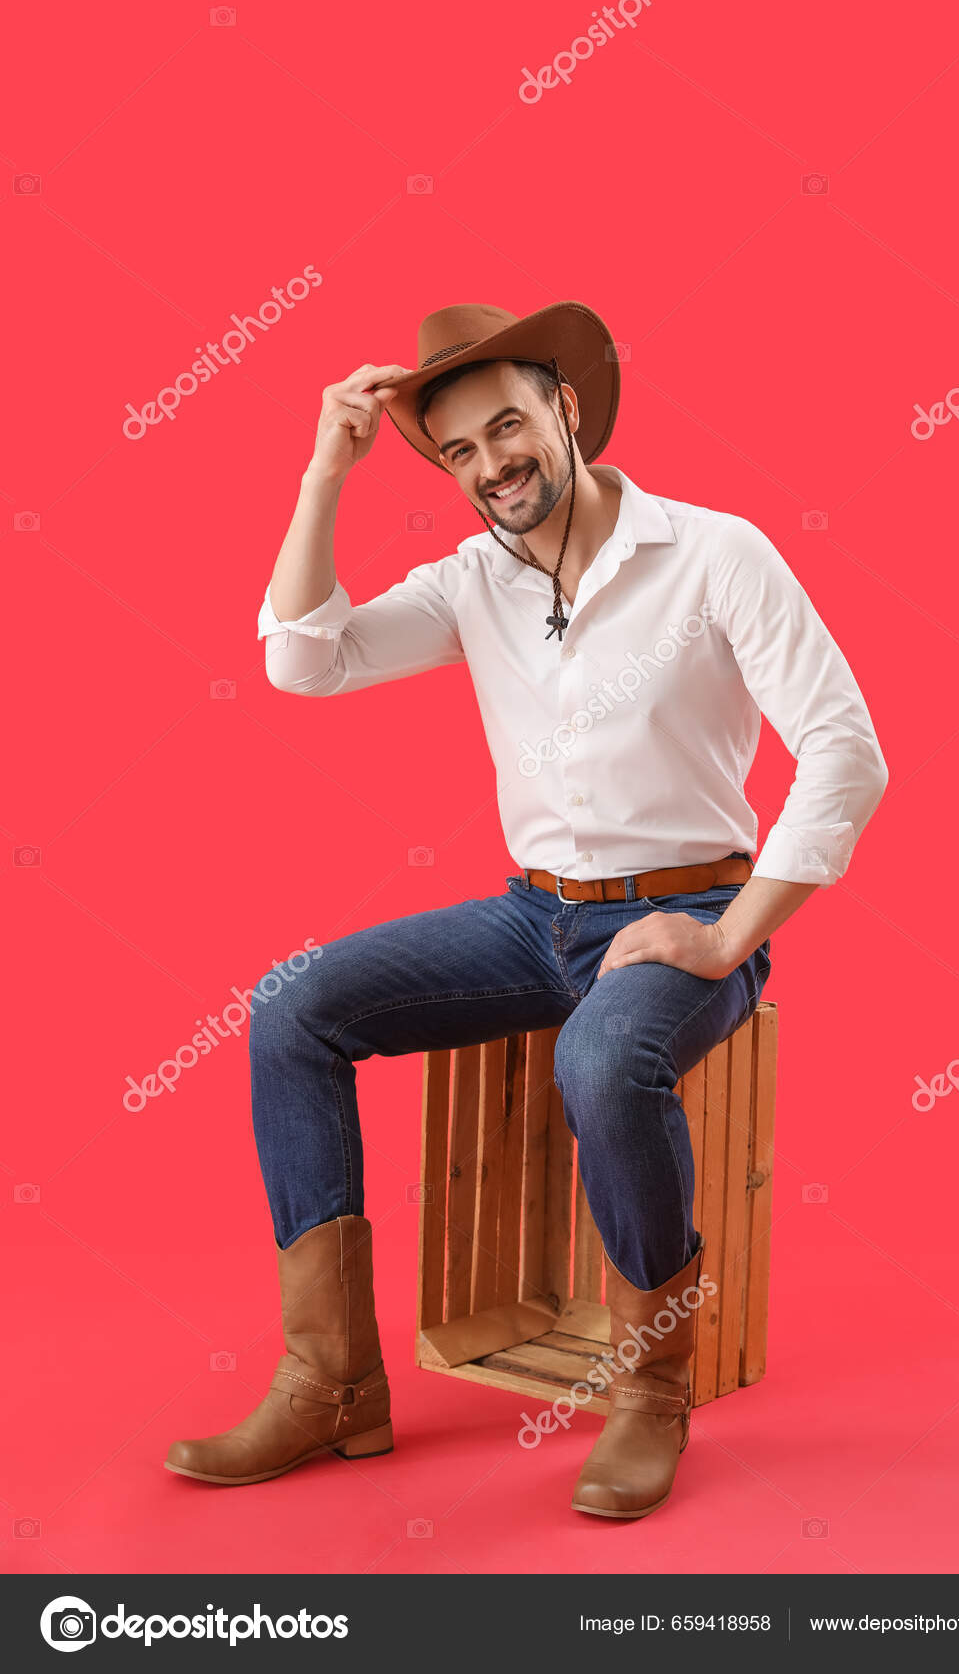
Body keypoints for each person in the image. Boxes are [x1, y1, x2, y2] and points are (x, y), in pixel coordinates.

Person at [164, 300, 889, 1519]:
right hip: (530, 917)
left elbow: (844, 751)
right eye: (457, 450)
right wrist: (322, 472)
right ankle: (329, 1380)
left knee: (602, 1062)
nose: (491, 464)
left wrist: (725, 936)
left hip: (686, 909)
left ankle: (651, 1386)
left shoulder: (716, 553)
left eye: (507, 425)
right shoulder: (472, 581)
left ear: (564, 404)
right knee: (292, 1006)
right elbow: (303, 656)